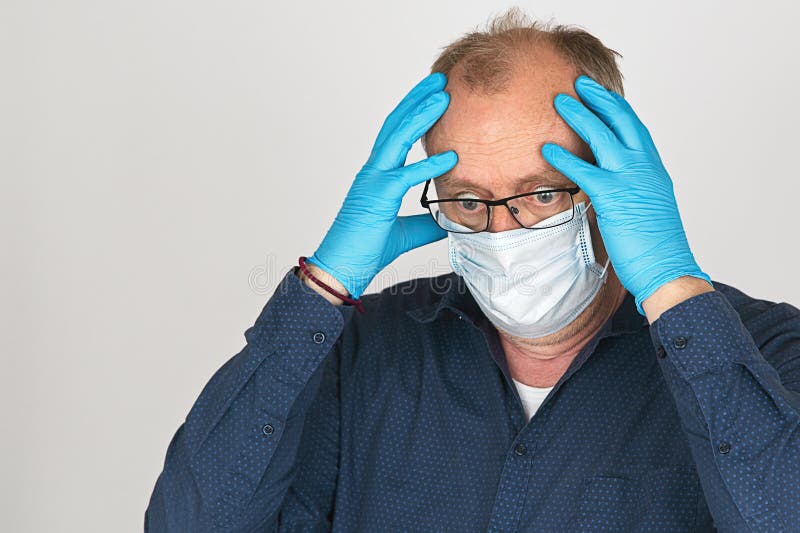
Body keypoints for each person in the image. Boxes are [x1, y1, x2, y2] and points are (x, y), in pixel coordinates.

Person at [145, 8, 800, 532]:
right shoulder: (362, 350)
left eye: (540, 192)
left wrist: (671, 285)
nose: (503, 232)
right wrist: (324, 286)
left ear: (612, 183)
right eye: (468, 199)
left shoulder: (768, 353)